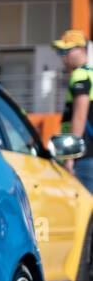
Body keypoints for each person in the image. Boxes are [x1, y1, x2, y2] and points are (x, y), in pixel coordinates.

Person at [53, 29, 93, 190]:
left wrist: (70, 155)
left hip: (84, 156)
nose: (63, 56)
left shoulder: (80, 75)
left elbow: (79, 116)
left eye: (67, 50)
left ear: (82, 50)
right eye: (60, 51)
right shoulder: (89, 74)